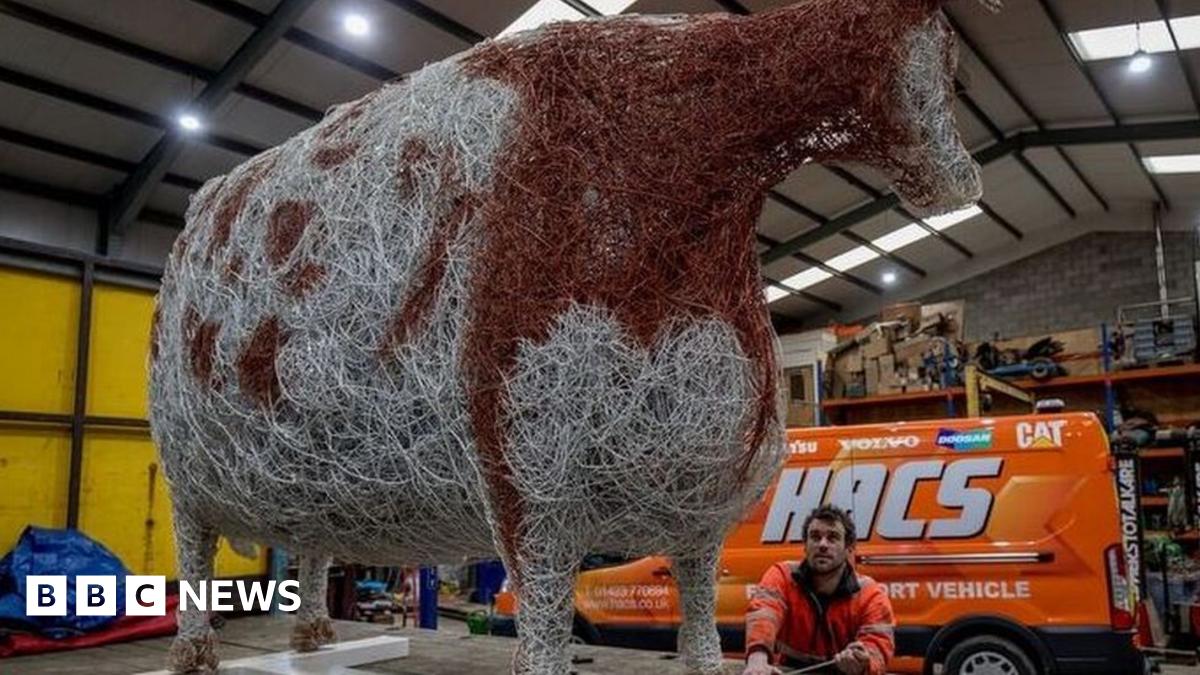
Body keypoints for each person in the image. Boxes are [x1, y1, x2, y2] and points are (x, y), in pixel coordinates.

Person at [743, 505, 895, 674]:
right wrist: (757, 659)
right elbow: (764, 614)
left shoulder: (870, 594)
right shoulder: (782, 576)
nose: (823, 544)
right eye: (815, 537)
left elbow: (879, 645)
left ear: (849, 548)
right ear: (805, 545)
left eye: (833, 537)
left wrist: (863, 661)